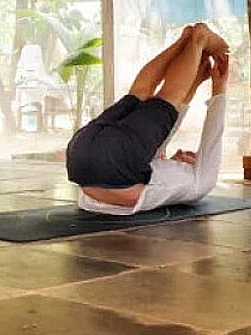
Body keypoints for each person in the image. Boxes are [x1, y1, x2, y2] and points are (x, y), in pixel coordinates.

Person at [66, 23, 230, 215]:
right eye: (192, 155)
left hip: (101, 160)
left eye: (188, 156)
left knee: (154, 95)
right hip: (80, 158)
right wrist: (208, 87)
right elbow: (202, 137)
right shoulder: (190, 182)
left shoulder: (192, 182)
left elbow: (203, 134)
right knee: (145, 95)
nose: (184, 153)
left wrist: (211, 88)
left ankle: (194, 39)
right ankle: (191, 39)